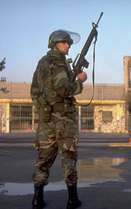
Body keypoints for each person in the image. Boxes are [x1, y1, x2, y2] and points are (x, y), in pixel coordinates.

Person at [30, 30, 87, 209]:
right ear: (55, 44)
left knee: (43, 159)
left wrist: (45, 109)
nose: (68, 45)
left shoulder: (42, 63)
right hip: (63, 121)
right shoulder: (60, 64)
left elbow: (34, 92)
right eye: (64, 43)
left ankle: (37, 199)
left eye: (69, 43)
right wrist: (79, 80)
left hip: (46, 121)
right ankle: (72, 200)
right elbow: (64, 90)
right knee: (68, 158)